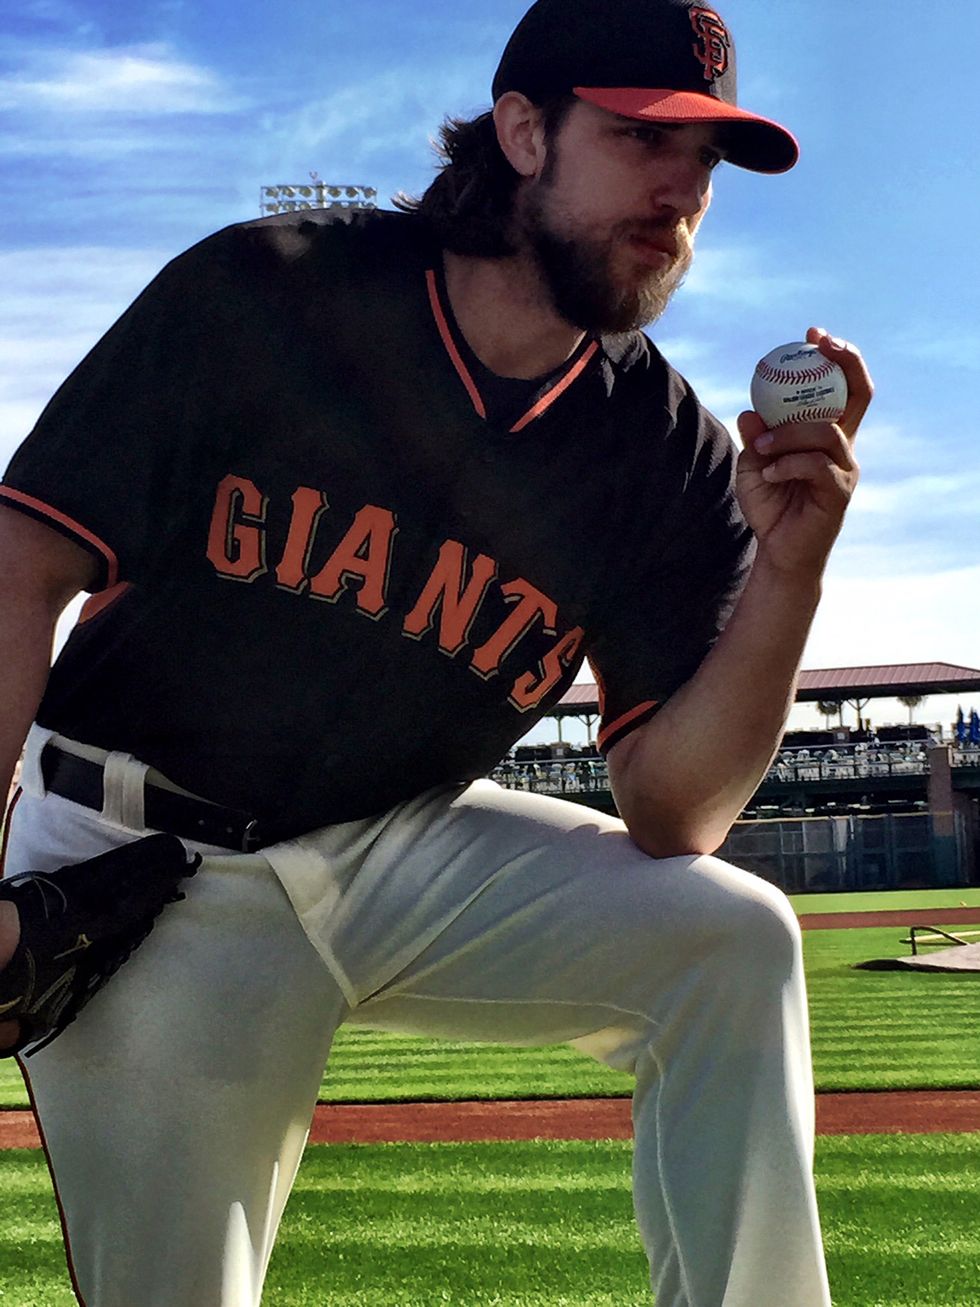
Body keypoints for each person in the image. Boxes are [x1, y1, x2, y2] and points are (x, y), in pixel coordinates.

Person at [0, 0, 872, 1302]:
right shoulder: (277, 289)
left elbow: (677, 810)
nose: (684, 188)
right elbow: (20, 569)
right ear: (523, 132)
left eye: (708, 161)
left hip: (393, 846)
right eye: (644, 138)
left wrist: (791, 574)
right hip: (144, 858)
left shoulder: (665, 451)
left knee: (729, 936)